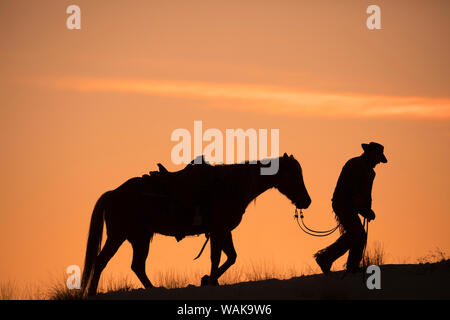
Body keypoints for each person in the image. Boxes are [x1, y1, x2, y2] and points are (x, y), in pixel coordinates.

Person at [314, 142, 387, 274]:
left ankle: (343, 263)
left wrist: (366, 209)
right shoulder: (356, 165)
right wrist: (365, 210)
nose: (378, 162)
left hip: (350, 206)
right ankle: (328, 259)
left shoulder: (369, 172)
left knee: (358, 235)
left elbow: (366, 195)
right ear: (370, 155)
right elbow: (353, 191)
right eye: (377, 158)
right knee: (357, 234)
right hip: (343, 204)